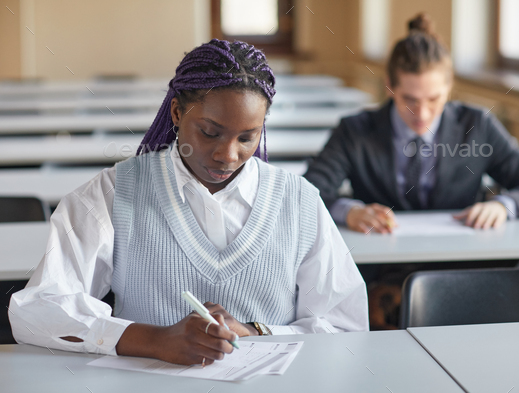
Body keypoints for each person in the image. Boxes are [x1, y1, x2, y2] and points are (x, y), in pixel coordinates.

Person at [9, 39, 368, 366]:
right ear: (178, 114)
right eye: (210, 132)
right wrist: (154, 340)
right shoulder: (114, 193)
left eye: (248, 137)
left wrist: (255, 331)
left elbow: (345, 325)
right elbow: (37, 309)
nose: (228, 155)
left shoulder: (300, 201)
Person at [304, 14, 519, 235]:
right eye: (410, 100)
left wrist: (503, 206)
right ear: (389, 86)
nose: (422, 114)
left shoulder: (477, 125)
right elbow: (308, 192)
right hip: (382, 266)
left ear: (449, 88)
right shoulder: (354, 131)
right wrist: (350, 212)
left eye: (434, 99)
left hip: (460, 263)